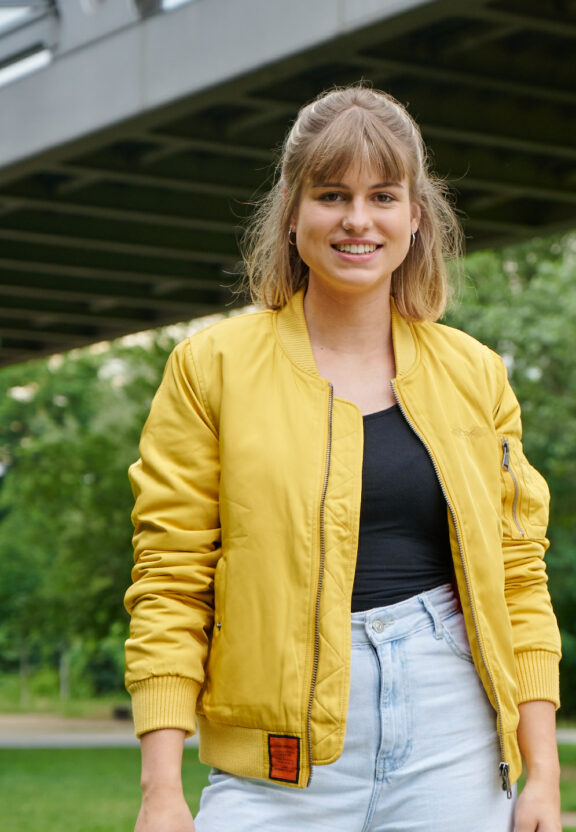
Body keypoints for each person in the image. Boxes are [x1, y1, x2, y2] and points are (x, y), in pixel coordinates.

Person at [124, 85, 562, 832]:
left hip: (451, 738)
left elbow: (519, 578)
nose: (357, 220)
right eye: (332, 194)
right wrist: (160, 789)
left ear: (414, 216)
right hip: (275, 765)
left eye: (382, 195)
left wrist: (544, 776)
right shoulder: (210, 367)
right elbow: (171, 580)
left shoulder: (477, 373)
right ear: (293, 212)